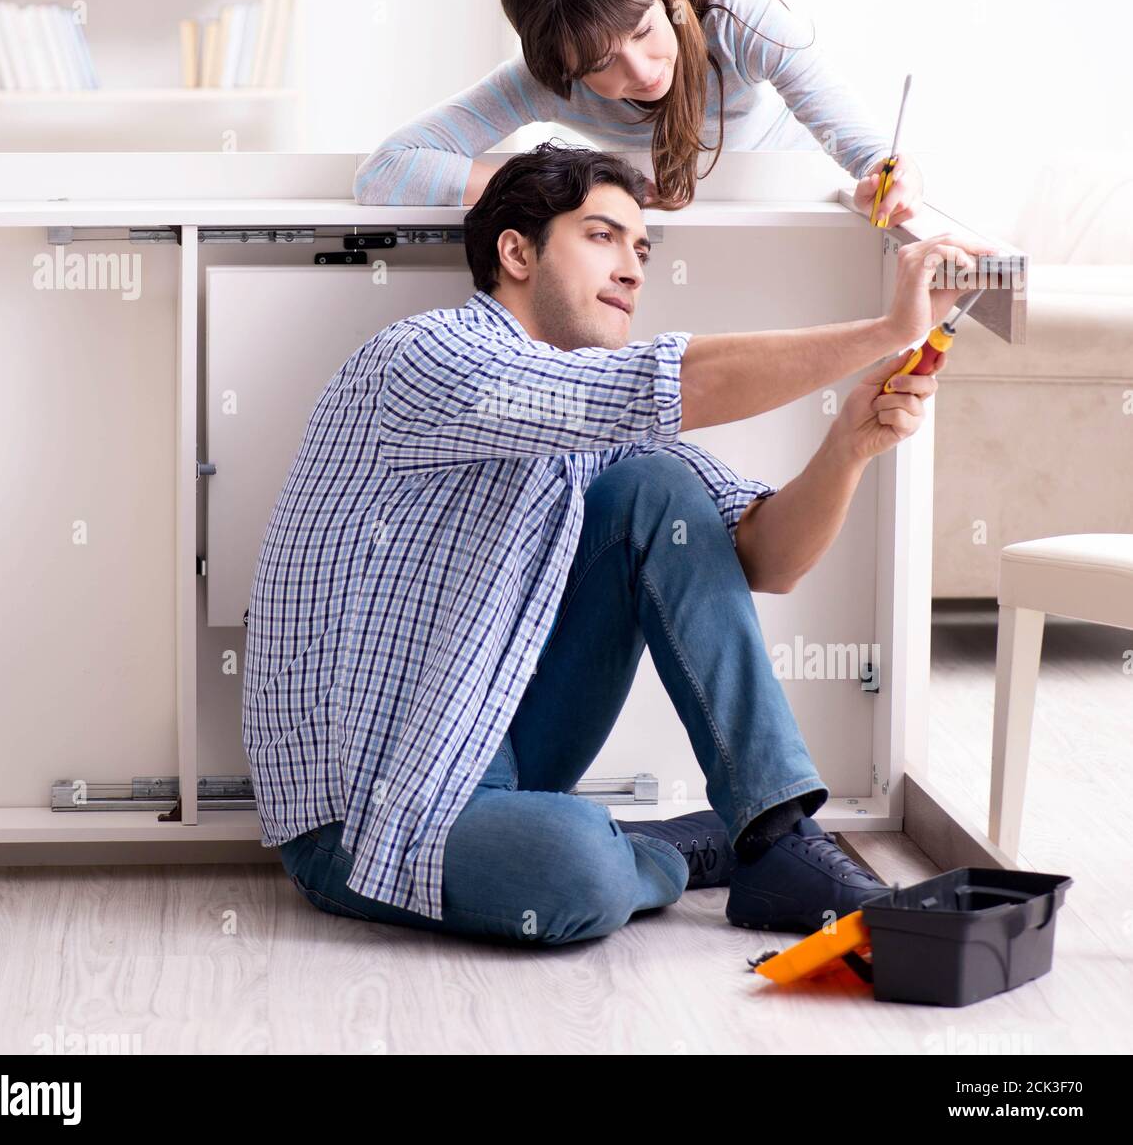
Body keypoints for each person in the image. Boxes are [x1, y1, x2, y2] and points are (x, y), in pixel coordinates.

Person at [244, 141, 993, 946]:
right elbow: (677, 384)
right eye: (602, 237)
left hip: (502, 754)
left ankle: (774, 836)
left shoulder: (600, 423)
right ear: (516, 252)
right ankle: (661, 848)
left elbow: (768, 560)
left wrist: (846, 446)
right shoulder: (428, 355)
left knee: (659, 495)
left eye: (641, 248)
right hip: (367, 817)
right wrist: (889, 328)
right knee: (575, 873)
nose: (634, 269)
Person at [352, 0, 923, 224]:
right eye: (602, 64)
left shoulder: (733, 14)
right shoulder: (542, 79)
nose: (645, 71)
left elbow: (861, 142)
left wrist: (892, 174)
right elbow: (386, 174)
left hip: (791, 211)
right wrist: (579, 185)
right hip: (665, 233)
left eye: (646, 31)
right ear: (562, 69)